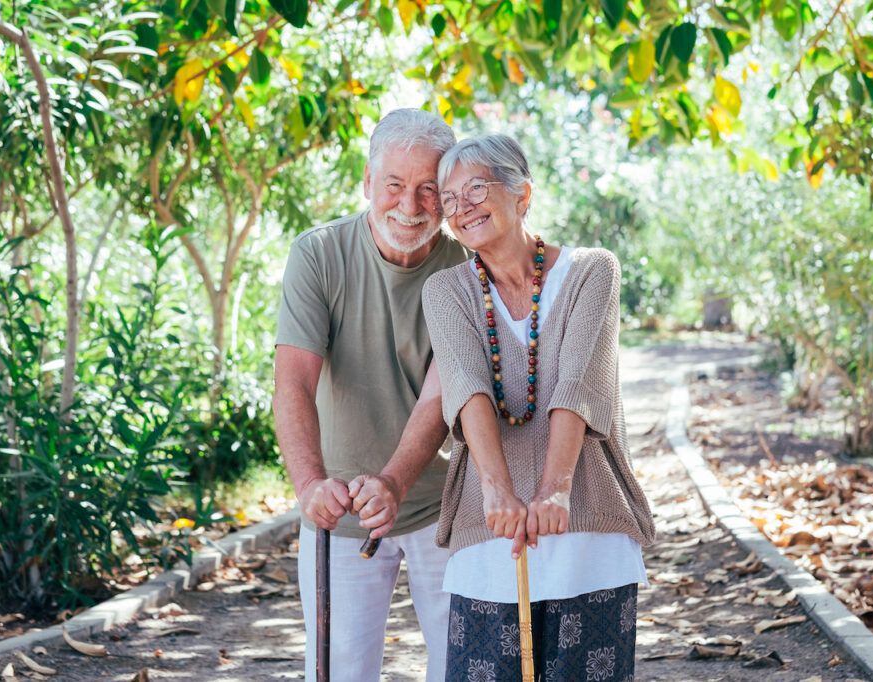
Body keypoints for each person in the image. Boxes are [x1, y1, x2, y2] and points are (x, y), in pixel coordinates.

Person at [421, 134, 656, 681]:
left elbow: (577, 382)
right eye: (450, 200)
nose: (463, 207)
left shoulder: (593, 270)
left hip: (587, 518)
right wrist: (497, 490)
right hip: (490, 532)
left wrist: (555, 488)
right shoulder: (446, 291)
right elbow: (468, 386)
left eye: (476, 188)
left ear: (521, 195)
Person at [273, 108, 469, 682]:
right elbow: (293, 383)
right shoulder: (319, 255)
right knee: (339, 672)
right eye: (394, 186)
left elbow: (440, 395)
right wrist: (309, 486)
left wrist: (394, 482)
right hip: (341, 509)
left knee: (462, 668)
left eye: (429, 190)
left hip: (444, 508)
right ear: (367, 183)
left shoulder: (466, 267)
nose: (410, 207)